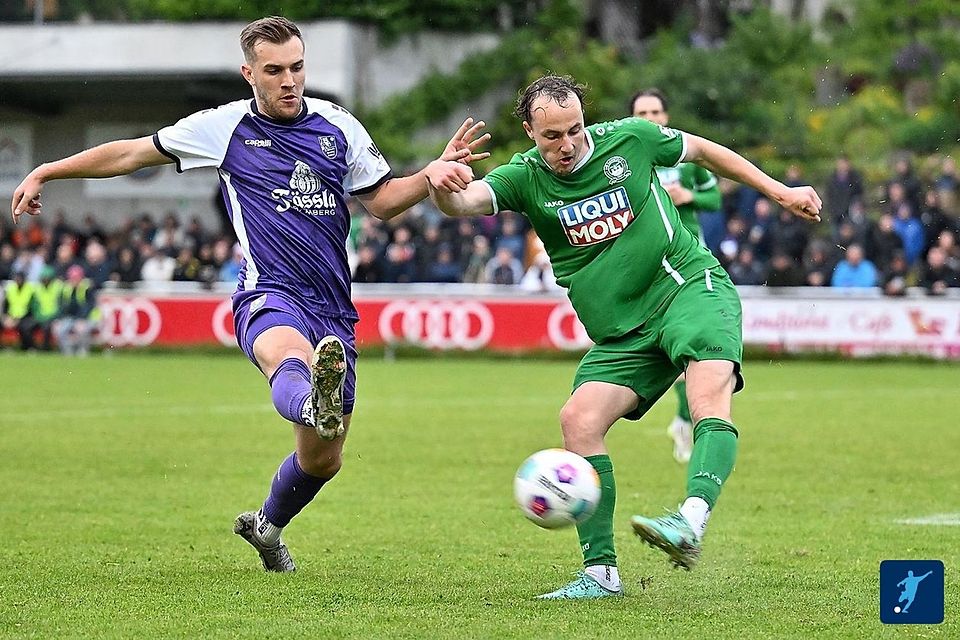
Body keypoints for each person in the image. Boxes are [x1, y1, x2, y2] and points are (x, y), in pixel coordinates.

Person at [11, 16, 488, 573]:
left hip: (332, 304)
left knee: (323, 459)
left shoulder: (338, 126)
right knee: (291, 357)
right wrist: (48, 169)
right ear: (249, 74)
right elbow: (131, 154)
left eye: (298, 67)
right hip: (269, 290)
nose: (290, 80)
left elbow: (382, 201)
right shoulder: (224, 128)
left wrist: (430, 174)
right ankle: (313, 397)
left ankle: (267, 526)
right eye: (275, 70)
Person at [427, 74, 821, 599]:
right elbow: (464, 203)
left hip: (685, 288)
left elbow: (701, 150)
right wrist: (443, 183)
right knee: (578, 419)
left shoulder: (631, 138)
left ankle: (691, 520)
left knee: (706, 399)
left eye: (573, 130)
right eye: (551, 136)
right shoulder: (524, 178)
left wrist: (780, 191)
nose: (565, 145)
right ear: (529, 131)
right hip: (622, 334)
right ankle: (601, 573)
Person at [630, 88, 723, 466]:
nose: (650, 118)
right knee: (673, 353)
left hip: (688, 261)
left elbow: (714, 200)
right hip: (646, 266)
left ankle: (685, 420)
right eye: (642, 112)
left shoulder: (687, 160)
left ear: (666, 117)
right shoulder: (625, 161)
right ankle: (685, 418)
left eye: (656, 111)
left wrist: (688, 197)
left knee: (691, 350)